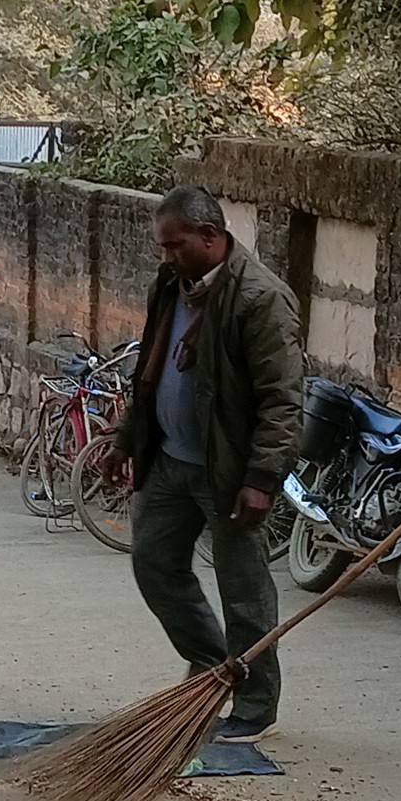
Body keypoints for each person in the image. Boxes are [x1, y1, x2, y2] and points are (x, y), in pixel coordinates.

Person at [101, 186, 302, 742]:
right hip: (169, 460)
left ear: (210, 237)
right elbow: (151, 370)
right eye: (163, 247)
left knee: (245, 591)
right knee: (154, 566)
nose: (166, 256)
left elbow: (282, 400)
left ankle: (255, 706)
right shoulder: (170, 285)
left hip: (228, 474)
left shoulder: (261, 298)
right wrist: (126, 439)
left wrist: (262, 479)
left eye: (175, 245)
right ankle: (214, 669)